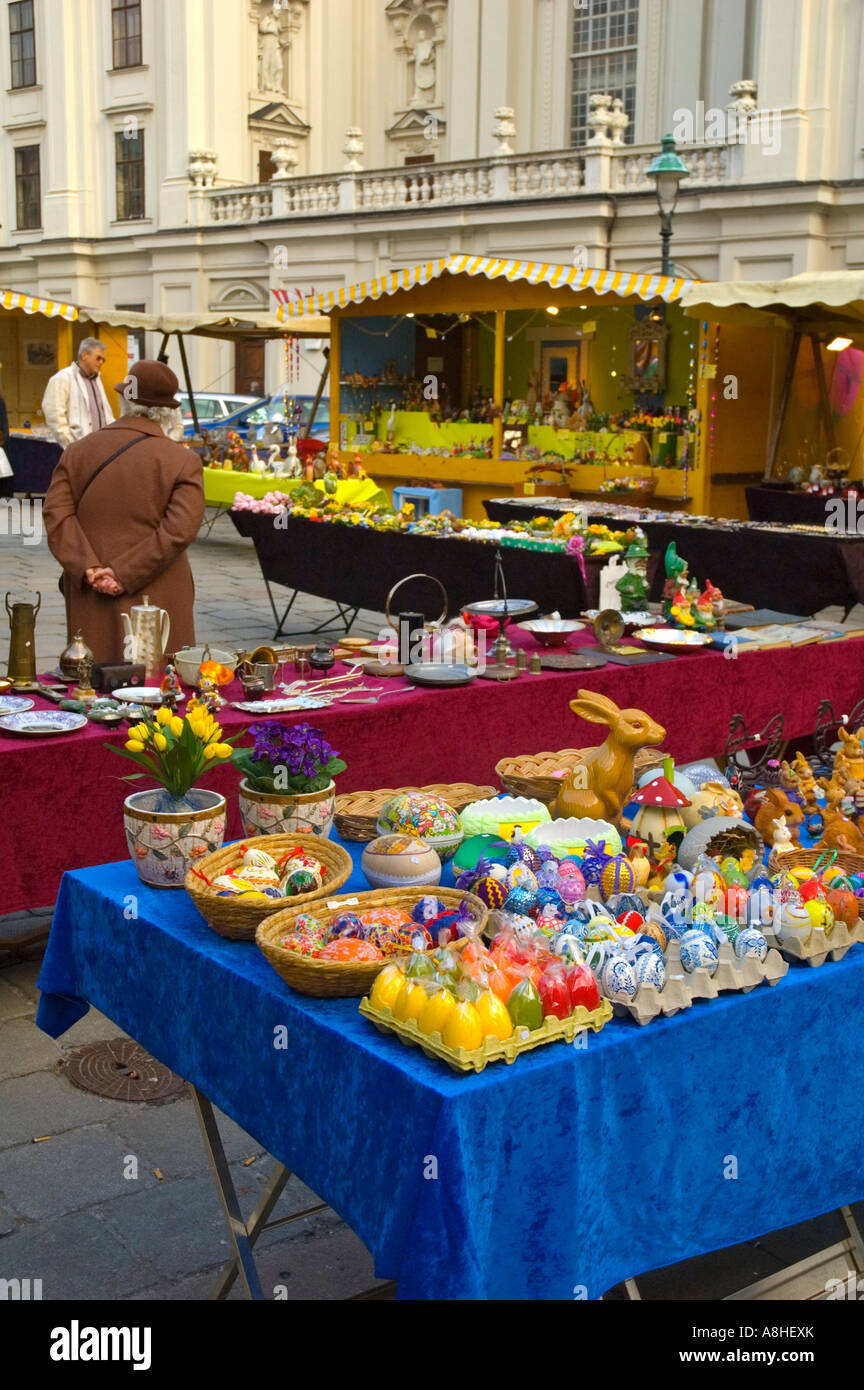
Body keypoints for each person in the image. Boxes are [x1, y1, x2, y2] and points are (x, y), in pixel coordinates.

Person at [43, 361, 205, 663]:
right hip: (157, 589)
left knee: (89, 683)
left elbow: (56, 515)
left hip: (90, 590)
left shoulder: (77, 451)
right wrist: (122, 573)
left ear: (124, 400)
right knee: (157, 688)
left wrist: (89, 567)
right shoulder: (182, 461)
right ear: (168, 411)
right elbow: (179, 530)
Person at [41, 338, 114, 446]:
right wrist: (70, 444)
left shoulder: (96, 380)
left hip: (100, 446)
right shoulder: (63, 377)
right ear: (84, 355)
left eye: (103, 360)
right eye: (98, 358)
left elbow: (106, 413)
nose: (101, 362)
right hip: (78, 448)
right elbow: (54, 415)